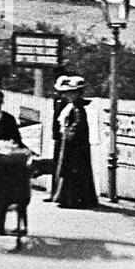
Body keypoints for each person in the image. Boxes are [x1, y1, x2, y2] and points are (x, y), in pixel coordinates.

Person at [51, 76, 98, 209]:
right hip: (70, 143)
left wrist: (69, 134)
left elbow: (77, 125)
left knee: (74, 172)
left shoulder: (78, 109)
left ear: (78, 93)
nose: (69, 95)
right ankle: (67, 198)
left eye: (72, 93)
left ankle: (74, 200)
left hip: (75, 146)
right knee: (69, 171)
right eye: (68, 93)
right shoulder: (71, 106)